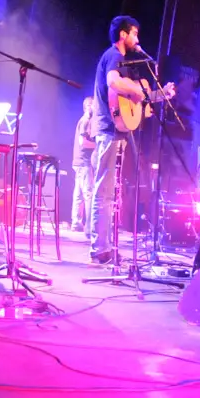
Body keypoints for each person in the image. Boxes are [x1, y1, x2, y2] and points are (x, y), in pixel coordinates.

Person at [90, 15, 150, 265]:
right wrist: (138, 91)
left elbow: (125, 99)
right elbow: (113, 82)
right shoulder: (114, 55)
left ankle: (105, 245)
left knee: (109, 192)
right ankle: (99, 248)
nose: (138, 38)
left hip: (118, 130)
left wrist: (147, 99)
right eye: (134, 33)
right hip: (108, 130)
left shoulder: (120, 59)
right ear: (123, 35)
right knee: (103, 191)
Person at [70, 95, 97, 233]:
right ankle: (90, 225)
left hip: (79, 161)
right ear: (88, 106)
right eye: (93, 105)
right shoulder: (86, 121)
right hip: (83, 162)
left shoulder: (84, 121)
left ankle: (76, 222)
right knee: (88, 193)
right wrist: (97, 146)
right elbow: (83, 143)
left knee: (79, 194)